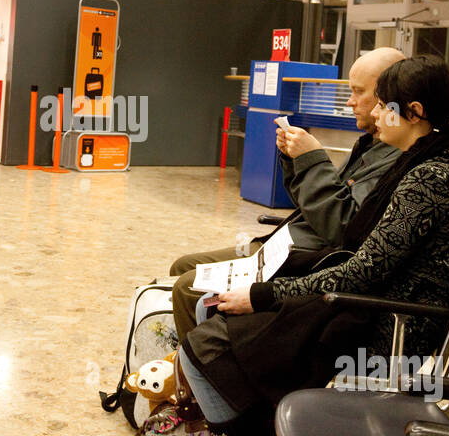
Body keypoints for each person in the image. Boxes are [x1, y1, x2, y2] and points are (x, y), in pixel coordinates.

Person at [176, 55, 449, 436]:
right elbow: (356, 255)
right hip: (367, 308)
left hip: (383, 329)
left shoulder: (430, 179)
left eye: (384, 106)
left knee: (205, 348)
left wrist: (266, 295)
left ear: (415, 112)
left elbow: (361, 271)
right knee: (212, 331)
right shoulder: (425, 164)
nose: (373, 113)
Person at [169, 48, 406, 340]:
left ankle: (202, 369)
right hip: (285, 247)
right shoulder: (370, 145)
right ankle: (187, 357)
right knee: (182, 267)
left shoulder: (397, 161)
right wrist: (297, 161)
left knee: (187, 286)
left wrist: (314, 158)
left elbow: (341, 228)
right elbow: (312, 206)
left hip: (303, 261)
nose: (350, 101)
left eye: (360, 92)